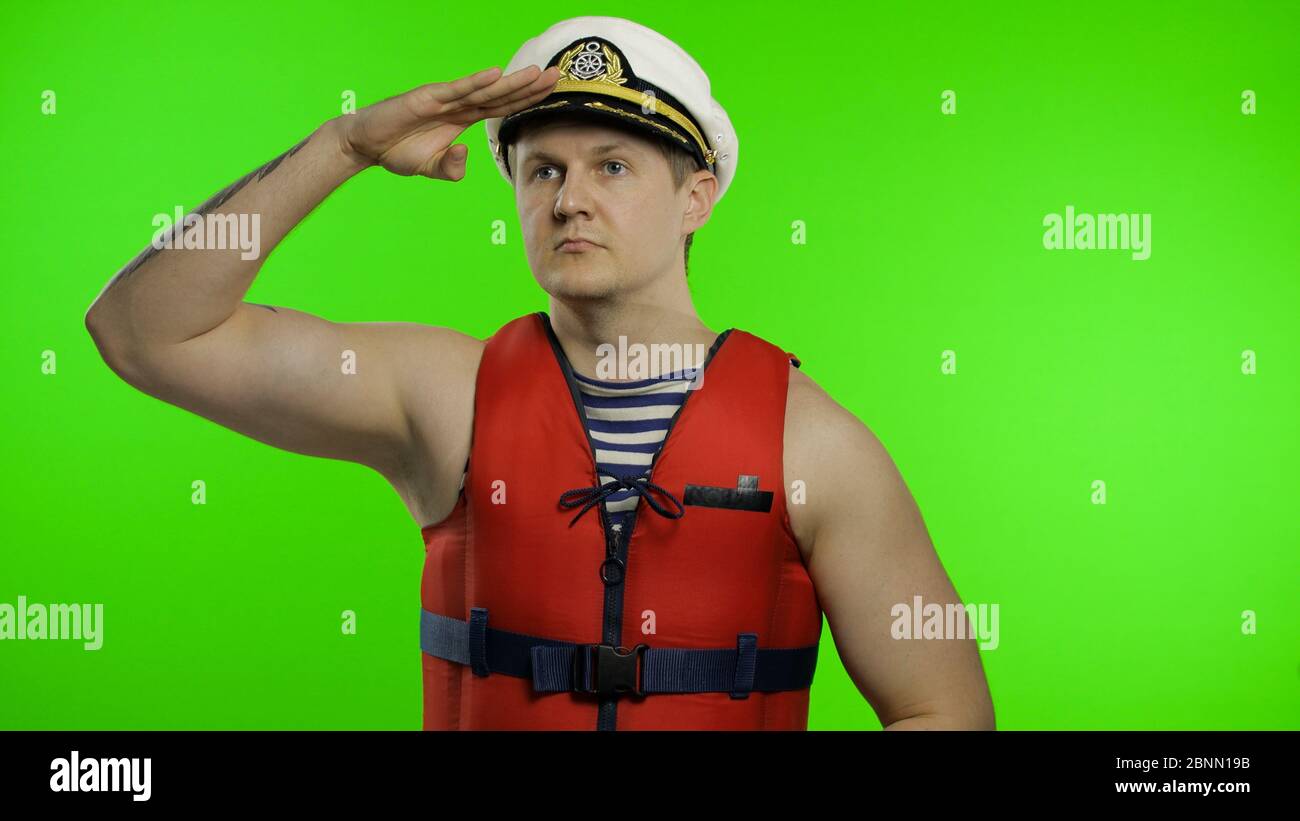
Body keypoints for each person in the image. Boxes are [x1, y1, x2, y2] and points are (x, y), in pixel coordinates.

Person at [85, 16, 994, 731]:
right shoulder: (441, 396)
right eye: (542, 169)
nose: (569, 199)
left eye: (612, 166)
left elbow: (947, 709)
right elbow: (143, 333)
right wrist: (347, 147)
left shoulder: (816, 443)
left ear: (697, 196)